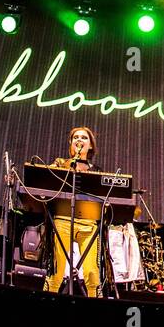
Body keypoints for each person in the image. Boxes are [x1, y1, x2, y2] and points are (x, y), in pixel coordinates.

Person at [45, 125, 105, 297]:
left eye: (84, 137)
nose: (79, 140)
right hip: (62, 220)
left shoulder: (97, 170)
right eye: (76, 137)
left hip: (88, 224)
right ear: (71, 143)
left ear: (91, 145)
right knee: (55, 272)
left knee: (92, 274)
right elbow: (44, 180)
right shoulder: (59, 163)